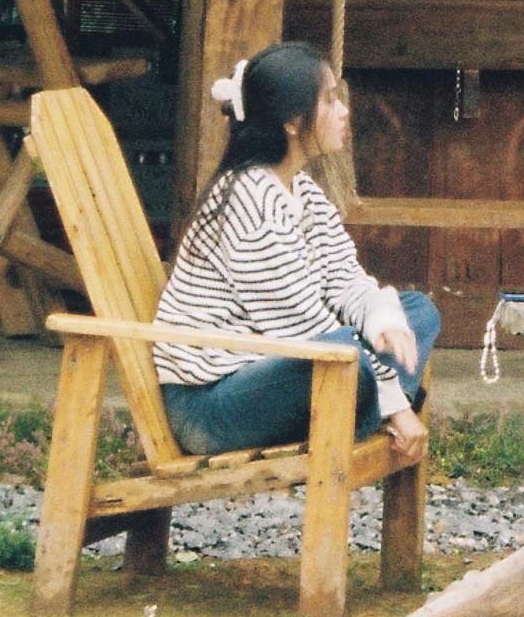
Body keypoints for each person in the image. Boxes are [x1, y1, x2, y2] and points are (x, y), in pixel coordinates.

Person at [152, 41, 439, 459]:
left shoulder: (300, 188)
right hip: (211, 405)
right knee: (342, 351)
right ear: (291, 121)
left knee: (417, 312)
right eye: (329, 100)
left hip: (274, 363)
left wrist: (382, 319)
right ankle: (380, 404)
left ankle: (370, 402)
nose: (344, 111)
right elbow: (304, 329)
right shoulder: (249, 201)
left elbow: (345, 279)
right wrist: (398, 405)